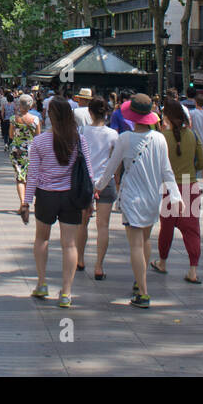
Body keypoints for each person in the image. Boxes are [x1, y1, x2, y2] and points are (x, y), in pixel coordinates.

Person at [95, 93, 182, 309]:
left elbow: (111, 167)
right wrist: (176, 195)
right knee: (145, 240)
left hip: (132, 197)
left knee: (135, 244)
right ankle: (138, 280)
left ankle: (143, 293)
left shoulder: (125, 139)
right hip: (153, 197)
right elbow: (167, 170)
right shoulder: (160, 138)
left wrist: (97, 187)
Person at [21, 98, 95, 308]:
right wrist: (90, 200)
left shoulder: (40, 142)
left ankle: (42, 283)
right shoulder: (79, 140)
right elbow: (88, 171)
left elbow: (33, 175)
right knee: (69, 244)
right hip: (71, 197)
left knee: (42, 239)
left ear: (50, 116)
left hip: (46, 196)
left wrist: (26, 202)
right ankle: (67, 292)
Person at [151, 98, 203, 284]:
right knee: (192, 230)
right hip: (190, 187)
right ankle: (193, 270)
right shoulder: (193, 136)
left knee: (166, 228)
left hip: (169, 189)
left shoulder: (162, 137)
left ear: (166, 116)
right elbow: (201, 163)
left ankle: (163, 262)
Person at [76, 97, 118, 280]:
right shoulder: (113, 134)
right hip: (105, 181)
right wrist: (116, 181)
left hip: (85, 181)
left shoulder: (82, 131)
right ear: (106, 112)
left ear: (90, 113)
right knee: (103, 225)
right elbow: (116, 161)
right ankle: (99, 266)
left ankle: (80, 259)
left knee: (82, 223)